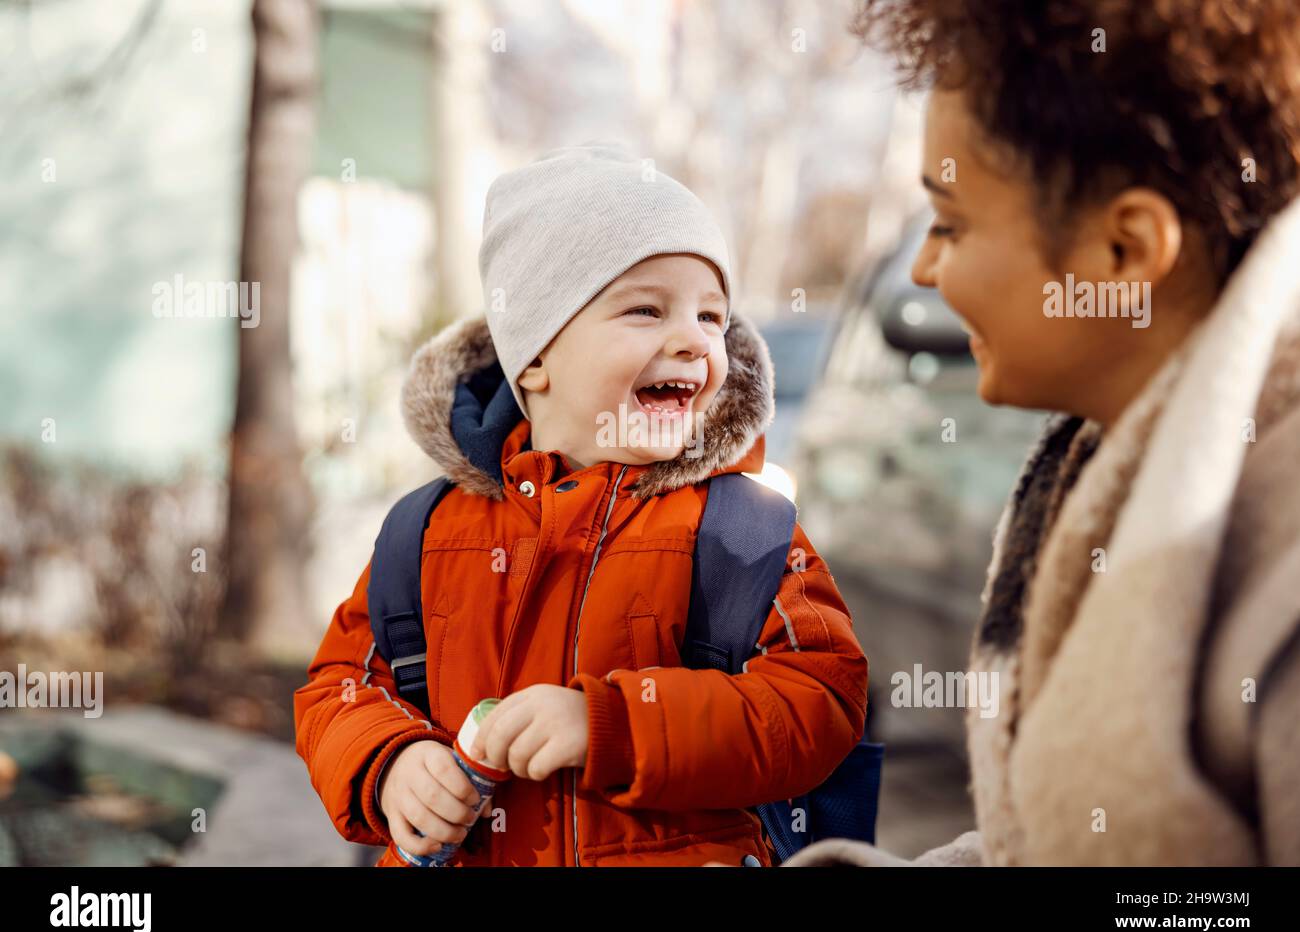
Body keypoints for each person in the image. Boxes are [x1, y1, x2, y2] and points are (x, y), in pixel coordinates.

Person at [782, 0, 1300, 867]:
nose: (923, 268)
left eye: (950, 223)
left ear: (1124, 252)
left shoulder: (1281, 585)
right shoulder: (1112, 468)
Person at [294, 143, 869, 867]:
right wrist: (390, 762)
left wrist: (618, 726)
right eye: (645, 310)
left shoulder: (741, 532)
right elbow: (338, 688)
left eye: (712, 317)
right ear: (533, 358)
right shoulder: (425, 531)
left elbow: (822, 697)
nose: (693, 341)